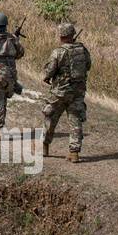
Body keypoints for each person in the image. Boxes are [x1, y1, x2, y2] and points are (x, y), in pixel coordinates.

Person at [41, 23, 92, 161]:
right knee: (75, 121)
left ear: (61, 36)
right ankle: (74, 153)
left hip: (60, 92)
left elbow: (49, 70)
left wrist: (47, 77)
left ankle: (45, 146)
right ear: (72, 34)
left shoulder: (58, 52)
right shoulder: (82, 50)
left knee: (50, 117)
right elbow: (88, 65)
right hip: (77, 92)